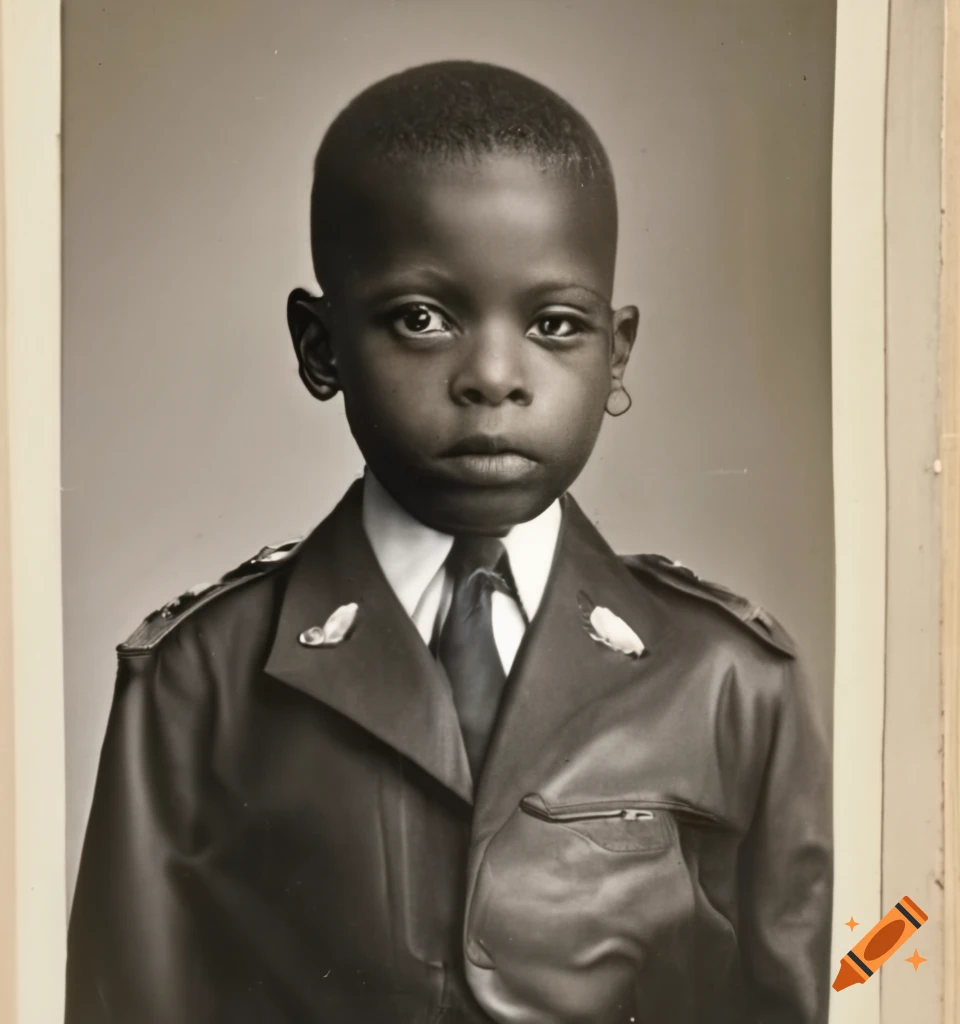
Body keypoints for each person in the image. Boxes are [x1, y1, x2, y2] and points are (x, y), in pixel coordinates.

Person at [64, 61, 832, 1024]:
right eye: (422, 320)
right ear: (321, 345)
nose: (495, 378)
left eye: (556, 324)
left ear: (616, 352)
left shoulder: (728, 678)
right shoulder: (202, 677)